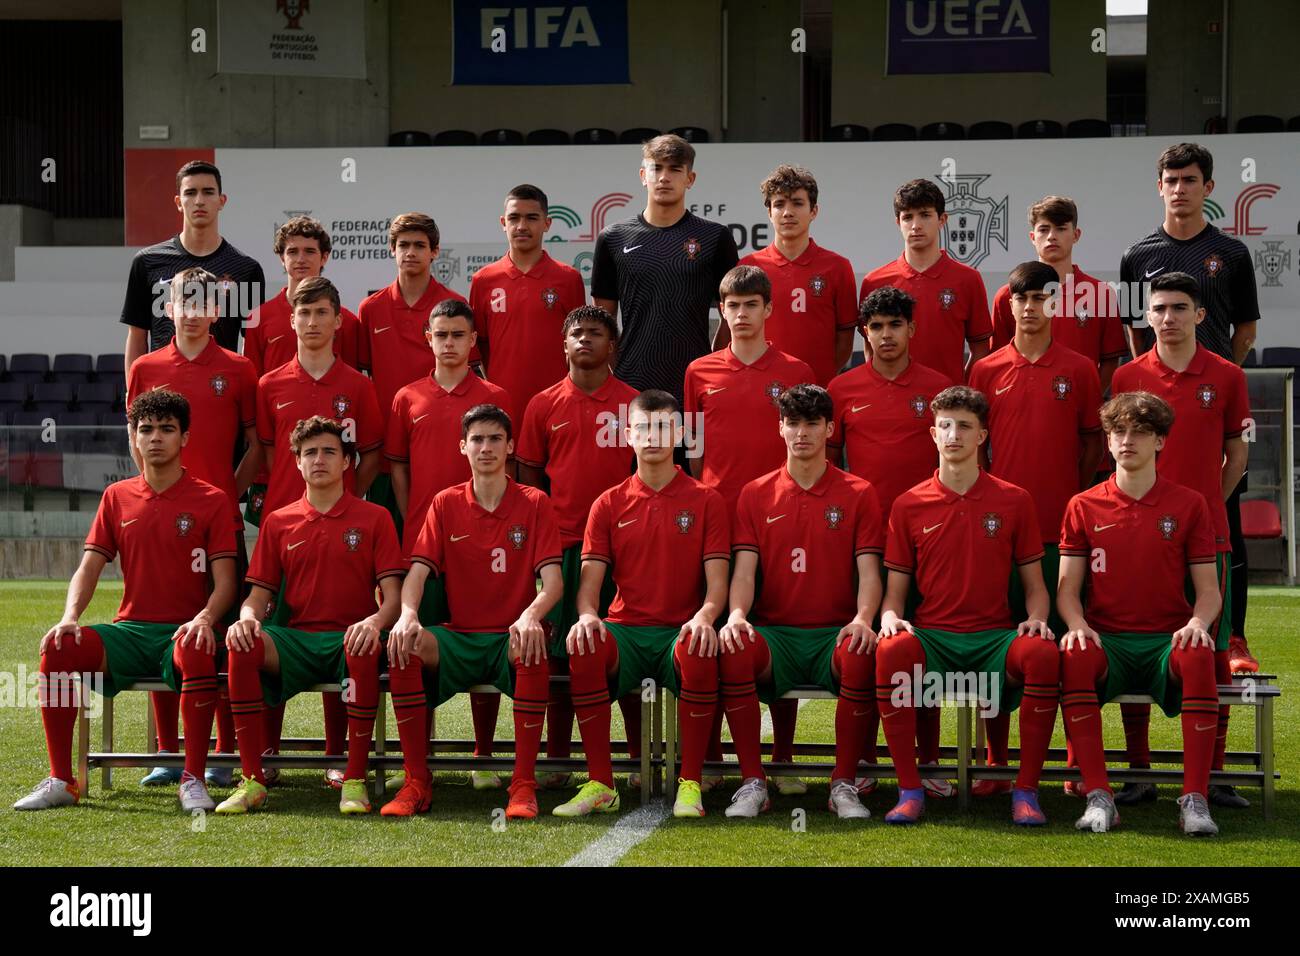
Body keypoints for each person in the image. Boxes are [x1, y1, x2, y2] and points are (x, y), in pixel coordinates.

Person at [14, 390, 237, 813]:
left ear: (185, 437)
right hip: (131, 632)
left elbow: (226, 582)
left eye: (167, 429)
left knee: (195, 646)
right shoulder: (117, 496)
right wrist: (70, 616)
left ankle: (192, 779)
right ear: (133, 437)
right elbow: (88, 567)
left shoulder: (212, 499)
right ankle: (63, 778)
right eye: (146, 429)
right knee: (59, 649)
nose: (155, 438)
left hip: (183, 634)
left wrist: (205, 618)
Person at [875, 386, 1059, 826]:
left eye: (964, 426)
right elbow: (895, 591)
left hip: (994, 639)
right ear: (933, 435)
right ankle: (910, 788)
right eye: (944, 426)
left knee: (1043, 654)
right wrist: (888, 617)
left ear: (982, 436)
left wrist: (1036, 620)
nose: (953, 434)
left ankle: (1027, 791)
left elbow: (1035, 586)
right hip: (934, 639)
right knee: (891, 650)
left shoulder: (1014, 500)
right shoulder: (907, 503)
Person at [1111, 271, 1251, 809]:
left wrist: (1201, 507)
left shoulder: (1227, 375)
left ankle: (1216, 775)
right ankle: (1139, 771)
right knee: (1137, 641)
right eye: (1159, 309)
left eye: (1179, 308)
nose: (1167, 318)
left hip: (1208, 536)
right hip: (1137, 537)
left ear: (1200, 315)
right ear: (1147, 316)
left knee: (1213, 656)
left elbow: (1237, 455)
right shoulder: (1127, 377)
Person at [554, 390, 730, 818]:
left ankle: (690, 783)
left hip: (678, 631)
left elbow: (717, 586)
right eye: (644, 428)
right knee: (584, 643)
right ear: (628, 435)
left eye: (664, 427)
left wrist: (705, 617)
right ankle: (600, 783)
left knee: (701, 644)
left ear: (682, 434)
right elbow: (589, 585)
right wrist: (587, 617)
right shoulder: (608, 502)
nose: (653, 437)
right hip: (626, 631)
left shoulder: (707, 500)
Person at [1120, 142, 1260, 678]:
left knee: (1226, 520)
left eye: (1190, 179)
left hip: (1212, 397)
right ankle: (1148, 626)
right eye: (1171, 180)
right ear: (1160, 187)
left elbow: (1245, 329)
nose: (1180, 189)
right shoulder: (1138, 255)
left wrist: (1219, 370)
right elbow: (1136, 331)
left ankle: (1235, 635)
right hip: (1158, 400)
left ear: (1209, 187)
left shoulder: (1233, 254)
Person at [383, 405, 563, 819]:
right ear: (463, 446)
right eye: (477, 440)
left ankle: (522, 785)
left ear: (511, 446)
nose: (486, 448)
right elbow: (417, 572)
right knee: (404, 646)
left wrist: (531, 613)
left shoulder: (535, 502)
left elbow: (553, 583)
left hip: (508, 636)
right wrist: (408, 613)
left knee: (532, 644)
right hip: (459, 636)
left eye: (495, 439)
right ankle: (417, 781)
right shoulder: (445, 502)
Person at [216, 417, 404, 815]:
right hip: (296, 641)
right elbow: (258, 595)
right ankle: (252, 779)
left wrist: (373, 622)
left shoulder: (375, 518)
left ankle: (353, 778)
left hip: (351, 638)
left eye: (329, 452)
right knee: (242, 644)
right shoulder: (279, 521)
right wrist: (247, 617)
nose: (319, 460)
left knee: (363, 646)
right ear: (297, 463)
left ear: (347, 462)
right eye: (310, 453)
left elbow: (393, 599)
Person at [1057, 391, 1223, 836]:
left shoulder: (1189, 504)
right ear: (1108, 442)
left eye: (1140, 432)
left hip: (1164, 642)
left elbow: (1209, 590)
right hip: (1107, 641)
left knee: (1199, 655)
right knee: (1073, 655)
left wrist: (1197, 623)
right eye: (1118, 432)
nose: (1127, 440)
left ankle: (1194, 800)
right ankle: (1099, 795)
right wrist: (1076, 625)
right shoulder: (1083, 505)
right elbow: (1066, 590)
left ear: (1160, 442)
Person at [717, 384, 885, 820]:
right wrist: (736, 614)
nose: (802, 432)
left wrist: (865, 618)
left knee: (864, 651)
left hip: (834, 633)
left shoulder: (860, 492)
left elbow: (870, 573)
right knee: (733, 645)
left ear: (830, 429)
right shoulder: (755, 493)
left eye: (812, 423)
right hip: (776, 636)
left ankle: (843, 783)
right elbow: (744, 572)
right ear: (780, 428)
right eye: (793, 423)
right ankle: (753, 781)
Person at [968, 261, 1102, 795]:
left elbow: (1093, 444)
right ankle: (998, 762)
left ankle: (1073, 762)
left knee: (1067, 646)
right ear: (1009, 305)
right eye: (1021, 299)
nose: (1031, 308)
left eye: (1042, 298)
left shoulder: (1081, 368)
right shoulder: (984, 371)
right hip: (998, 531)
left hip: (1061, 533)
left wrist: (1072, 496)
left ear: (1057, 304)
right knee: (1000, 646)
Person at [125, 266, 259, 787]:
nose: (195, 311)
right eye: (187, 301)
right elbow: (138, 442)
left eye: (206, 302)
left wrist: (228, 491)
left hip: (218, 518)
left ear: (217, 310)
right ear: (168, 307)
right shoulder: (146, 368)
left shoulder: (240, 368)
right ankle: (166, 751)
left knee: (220, 630)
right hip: (161, 520)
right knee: (163, 625)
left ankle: (223, 751)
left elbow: (257, 445)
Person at [684, 264, 814, 794]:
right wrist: (712, 496)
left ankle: (779, 761)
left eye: (750, 306)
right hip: (716, 522)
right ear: (722, 310)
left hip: (778, 520)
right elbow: (692, 452)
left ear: (768, 310)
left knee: (776, 632)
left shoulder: (796, 368)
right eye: (731, 306)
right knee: (716, 637)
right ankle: (714, 760)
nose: (740, 315)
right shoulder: (699, 370)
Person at [828, 286, 952, 796]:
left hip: (929, 538)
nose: (885, 335)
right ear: (864, 333)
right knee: (867, 651)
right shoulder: (841, 388)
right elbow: (832, 465)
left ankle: (930, 762)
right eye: (875, 327)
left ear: (911, 330)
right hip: (862, 541)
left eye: (894, 325)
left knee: (915, 648)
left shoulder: (939, 387)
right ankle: (864, 761)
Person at [384, 298, 513, 788]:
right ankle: (419, 757)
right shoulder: (407, 397)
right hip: (424, 539)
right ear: (429, 339)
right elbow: (398, 465)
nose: (450, 343)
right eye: (441, 335)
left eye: (459, 335)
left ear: (473, 340)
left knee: (482, 635)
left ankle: (482, 755)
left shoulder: (495, 396)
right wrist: (413, 513)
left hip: (480, 539)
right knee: (413, 644)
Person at [515, 306, 639, 788]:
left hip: (625, 548)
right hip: (563, 546)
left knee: (624, 653)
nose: (585, 340)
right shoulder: (541, 405)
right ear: (564, 345)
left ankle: (632, 758)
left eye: (596, 333)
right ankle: (561, 760)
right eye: (576, 333)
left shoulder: (635, 403)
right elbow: (529, 477)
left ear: (613, 346)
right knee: (563, 655)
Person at [590, 134, 739, 402]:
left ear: (690, 179)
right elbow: (603, 321)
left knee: (693, 446)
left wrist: (712, 366)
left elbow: (731, 313)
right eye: (656, 168)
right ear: (642, 175)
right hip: (631, 383)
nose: (664, 177)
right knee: (638, 446)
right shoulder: (613, 238)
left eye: (675, 169)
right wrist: (618, 372)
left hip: (695, 383)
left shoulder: (715, 237)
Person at [357, 212, 468, 529]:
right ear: (392, 250)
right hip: (383, 457)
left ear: (434, 252)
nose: (410, 252)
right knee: (387, 548)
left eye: (420, 245)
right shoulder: (371, 308)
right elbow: (363, 377)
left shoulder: (454, 305)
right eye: (403, 245)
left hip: (438, 448)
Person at [121, 160, 265, 367]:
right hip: (163, 389)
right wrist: (132, 394)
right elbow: (137, 335)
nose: (199, 200)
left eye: (208, 192)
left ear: (221, 201)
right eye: (190, 193)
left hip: (220, 390)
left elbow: (252, 341)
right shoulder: (147, 261)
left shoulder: (246, 269)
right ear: (178, 202)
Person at [858, 179, 991, 386]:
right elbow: (870, 347)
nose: (916, 225)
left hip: (947, 409)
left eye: (925, 215)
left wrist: (960, 394)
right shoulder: (874, 281)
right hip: (892, 405)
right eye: (908, 217)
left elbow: (980, 350)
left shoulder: (968, 279)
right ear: (897, 222)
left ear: (942, 219)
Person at [989, 196, 1126, 394]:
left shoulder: (1100, 294)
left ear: (1076, 235)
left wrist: (1086, 397)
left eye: (1061, 228)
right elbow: (998, 358)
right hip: (1022, 403)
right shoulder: (1008, 295)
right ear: (1032, 237)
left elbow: (1110, 360)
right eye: (1044, 229)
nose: (1052, 236)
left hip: (1078, 410)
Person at [469, 184, 586, 415]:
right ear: (503, 223)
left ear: (547, 223)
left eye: (531, 218)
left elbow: (578, 347)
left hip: (557, 406)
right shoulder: (483, 280)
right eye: (514, 218)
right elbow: (478, 345)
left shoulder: (568, 278)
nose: (522, 226)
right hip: (502, 407)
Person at [737, 165, 857, 385]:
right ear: (769, 213)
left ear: (814, 211)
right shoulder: (748, 266)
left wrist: (817, 377)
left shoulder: (838, 267)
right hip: (761, 388)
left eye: (797, 203)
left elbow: (845, 340)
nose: (787, 212)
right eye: (779, 204)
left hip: (816, 395)